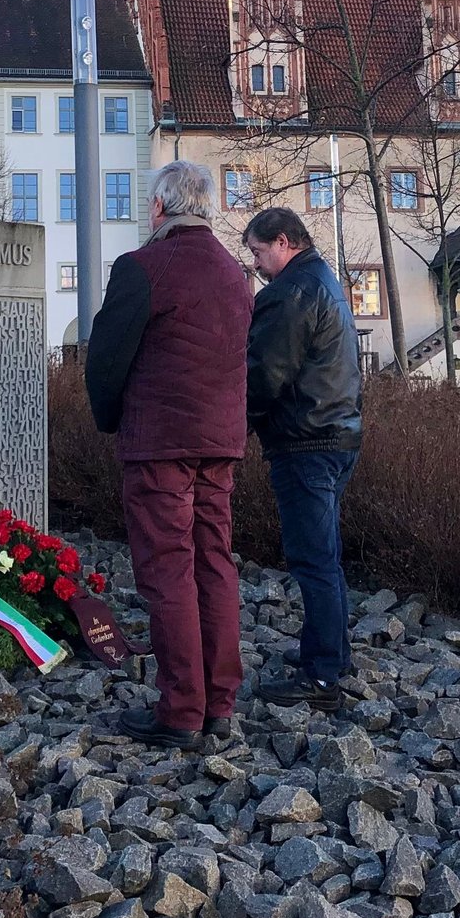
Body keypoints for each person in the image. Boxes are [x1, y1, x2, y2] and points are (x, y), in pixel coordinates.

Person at [85, 161, 253, 749]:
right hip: (220, 442)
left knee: (168, 569)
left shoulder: (142, 267)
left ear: (159, 207)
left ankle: (181, 709)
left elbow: (106, 360)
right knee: (215, 563)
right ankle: (219, 705)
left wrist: (110, 418)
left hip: (160, 443)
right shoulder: (236, 274)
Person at [243, 207, 362, 710]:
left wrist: (234, 426)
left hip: (305, 442)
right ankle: (331, 653)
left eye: (258, 251)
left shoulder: (290, 291)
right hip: (338, 436)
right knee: (325, 554)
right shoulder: (325, 282)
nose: (256, 264)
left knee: (313, 559)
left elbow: (265, 372)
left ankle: (322, 677)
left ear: (283, 241)